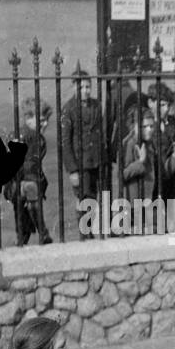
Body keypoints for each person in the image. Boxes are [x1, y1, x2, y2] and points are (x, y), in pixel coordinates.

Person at [60, 69, 109, 232]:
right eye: (82, 87)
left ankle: (89, 231)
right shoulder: (68, 109)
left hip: (96, 161)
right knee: (83, 198)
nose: (86, 91)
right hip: (80, 164)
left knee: (94, 198)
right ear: (74, 87)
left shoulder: (96, 104)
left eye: (88, 87)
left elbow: (100, 132)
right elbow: (65, 143)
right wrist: (72, 170)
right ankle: (84, 233)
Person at [5, 98, 54, 246]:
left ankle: (26, 240)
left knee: (22, 227)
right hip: (22, 184)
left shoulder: (31, 136)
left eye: (46, 120)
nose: (45, 124)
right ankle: (43, 233)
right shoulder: (31, 137)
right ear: (28, 118)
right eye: (41, 120)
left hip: (18, 185)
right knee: (25, 218)